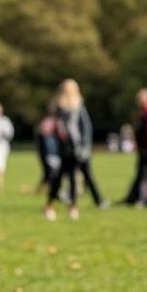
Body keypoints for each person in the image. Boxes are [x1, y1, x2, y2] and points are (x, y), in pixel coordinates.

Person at [45, 79, 106, 221]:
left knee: (72, 176)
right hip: (62, 147)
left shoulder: (78, 106)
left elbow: (86, 128)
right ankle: (51, 205)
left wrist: (85, 146)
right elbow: (53, 127)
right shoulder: (57, 107)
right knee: (59, 177)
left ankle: (72, 206)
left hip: (75, 148)